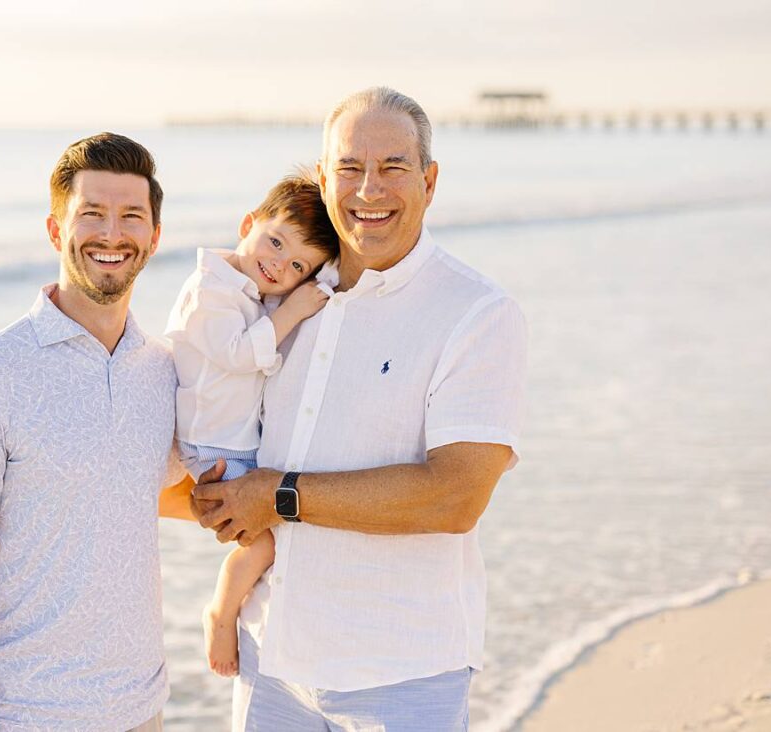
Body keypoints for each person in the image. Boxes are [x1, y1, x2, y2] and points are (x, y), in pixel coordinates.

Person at [191, 87, 528, 730]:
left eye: (393, 167)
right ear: (323, 180)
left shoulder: (477, 313)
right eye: (349, 167)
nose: (369, 189)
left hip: (401, 672)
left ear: (429, 182)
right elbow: (207, 410)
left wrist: (278, 496)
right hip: (269, 659)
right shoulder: (277, 304)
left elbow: (456, 497)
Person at [0, 132, 188, 731]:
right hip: (28, 712)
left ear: (154, 236)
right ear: (55, 230)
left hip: (142, 707)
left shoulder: (164, 370)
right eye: (91, 213)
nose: (112, 234)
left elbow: (155, 494)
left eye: (131, 216)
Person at [162, 174, 337, 678]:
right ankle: (221, 612)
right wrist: (295, 308)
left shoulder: (255, 291)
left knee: (281, 529)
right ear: (247, 224)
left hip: (237, 439)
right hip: (213, 445)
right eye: (276, 242)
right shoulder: (209, 291)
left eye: (297, 266)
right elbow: (240, 354)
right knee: (265, 538)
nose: (279, 264)